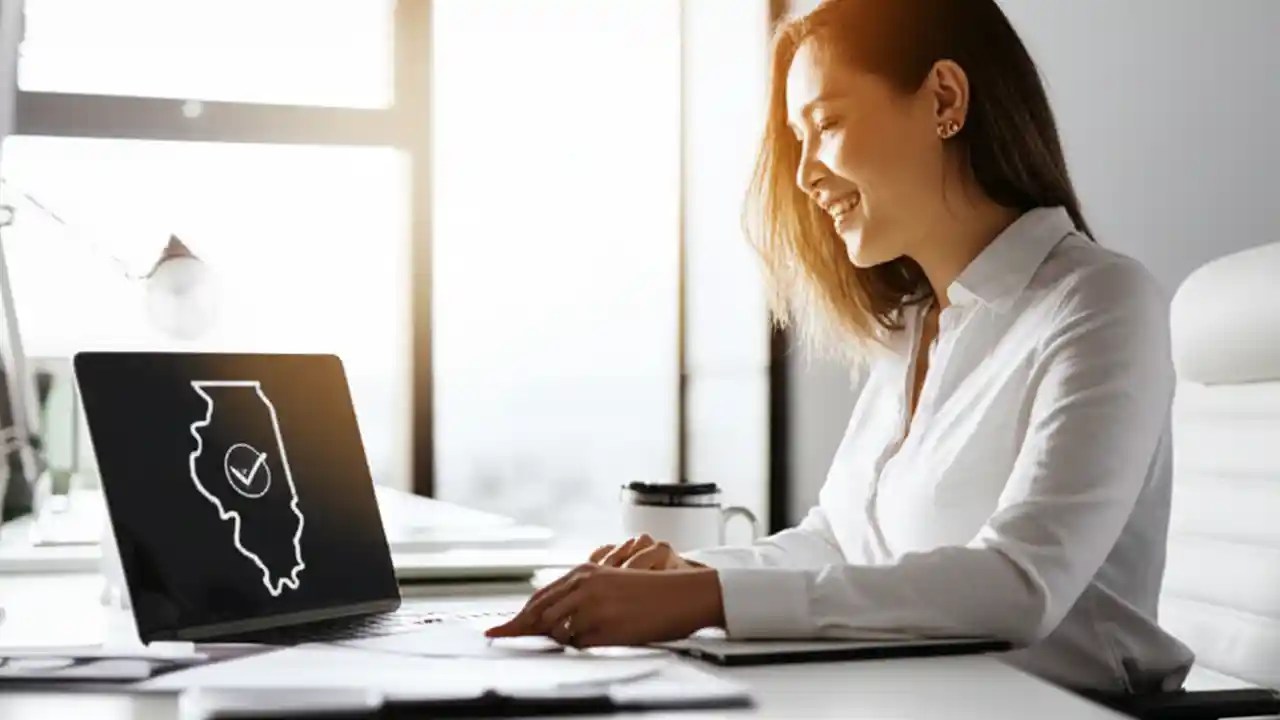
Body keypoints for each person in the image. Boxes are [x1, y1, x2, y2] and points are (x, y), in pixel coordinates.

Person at [488, 0, 1194, 694]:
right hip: (901, 696)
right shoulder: (916, 325)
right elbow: (839, 542)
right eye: (799, 138)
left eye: (826, 123)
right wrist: (692, 573)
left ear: (945, 98)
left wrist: (707, 601)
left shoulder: (1101, 302)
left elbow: (1020, 585)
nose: (804, 175)